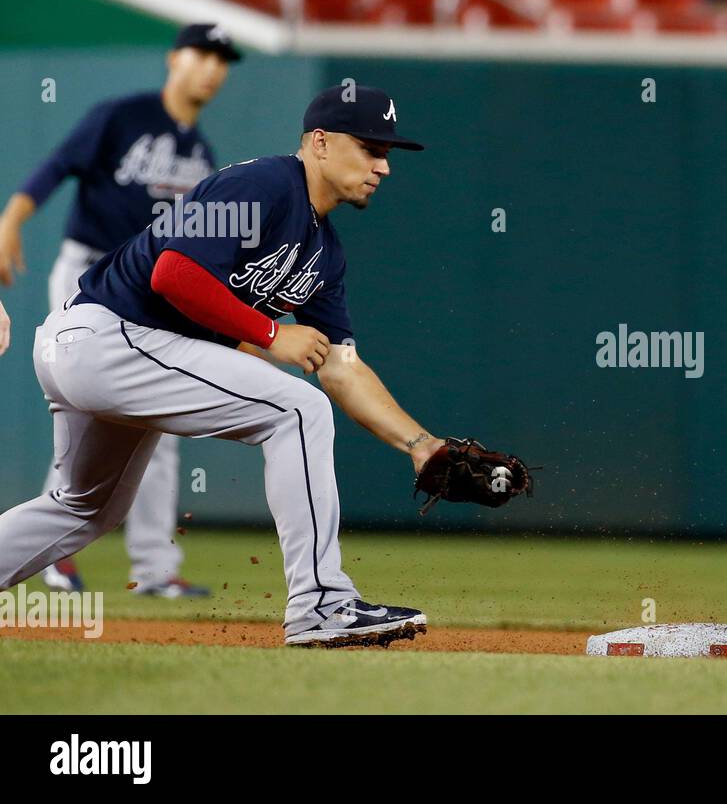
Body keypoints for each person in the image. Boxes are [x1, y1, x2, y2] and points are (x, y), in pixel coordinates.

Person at [0, 84, 460, 648]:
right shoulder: (263, 184)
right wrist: (270, 334)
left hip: (102, 351)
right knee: (298, 408)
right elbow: (173, 274)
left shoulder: (326, 253)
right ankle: (320, 603)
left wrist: (420, 444)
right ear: (319, 143)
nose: (382, 166)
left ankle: (321, 601)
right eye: (370, 148)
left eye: (387, 154)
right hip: (107, 336)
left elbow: (341, 368)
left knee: (84, 508)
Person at [0, 23, 241, 597]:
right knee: (83, 410)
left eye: (222, 58)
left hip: (145, 292)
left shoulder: (200, 151)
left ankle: (155, 569)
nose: (212, 66)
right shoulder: (122, 115)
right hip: (85, 274)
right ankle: (56, 554)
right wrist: (12, 220)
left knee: (160, 420)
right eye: (202, 52)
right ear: (175, 57)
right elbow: (58, 166)